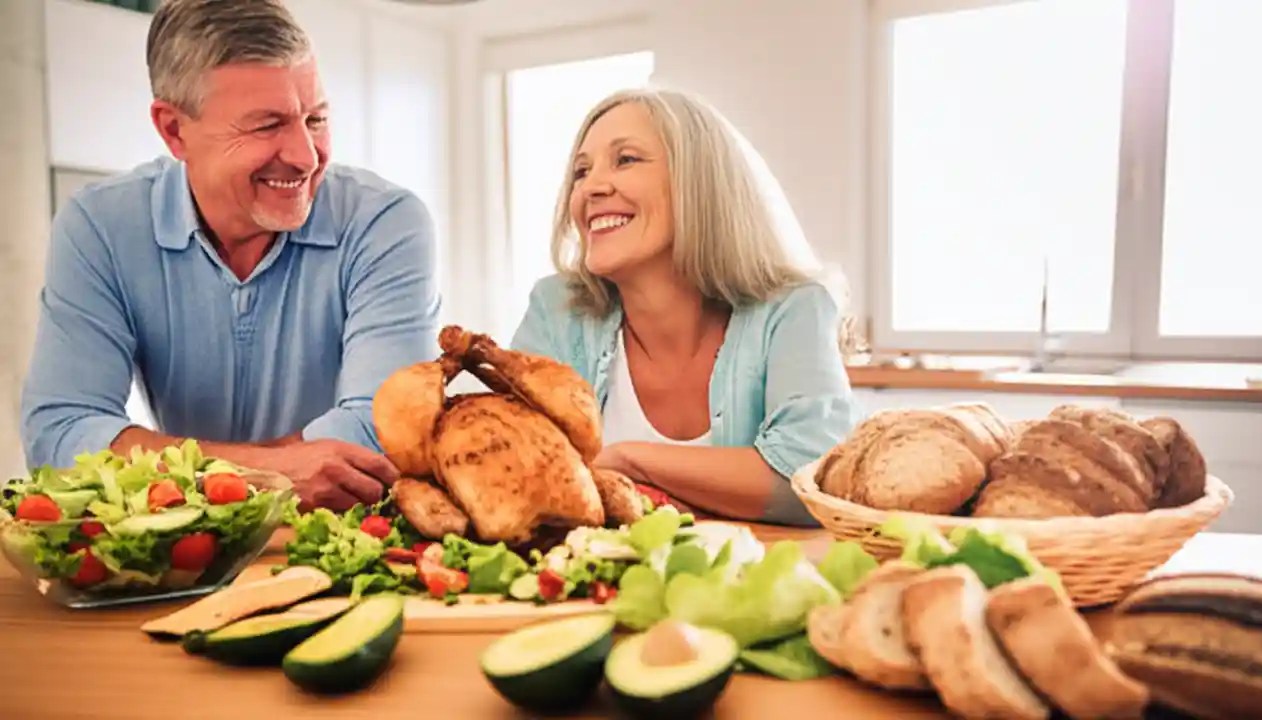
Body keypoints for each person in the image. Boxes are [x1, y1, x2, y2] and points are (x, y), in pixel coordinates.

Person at [20, 0, 440, 511]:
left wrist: (181, 473)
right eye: (267, 126)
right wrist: (267, 472)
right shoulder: (100, 227)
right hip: (187, 557)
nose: (307, 157)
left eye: (316, 118)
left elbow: (381, 433)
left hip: (347, 543)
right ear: (174, 130)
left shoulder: (385, 221)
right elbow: (60, 435)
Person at [511, 88, 861, 525]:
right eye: (581, 171)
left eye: (626, 159)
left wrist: (627, 460)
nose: (591, 188)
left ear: (699, 183)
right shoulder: (556, 309)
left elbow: (810, 478)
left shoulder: (794, 309)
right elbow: (516, 470)